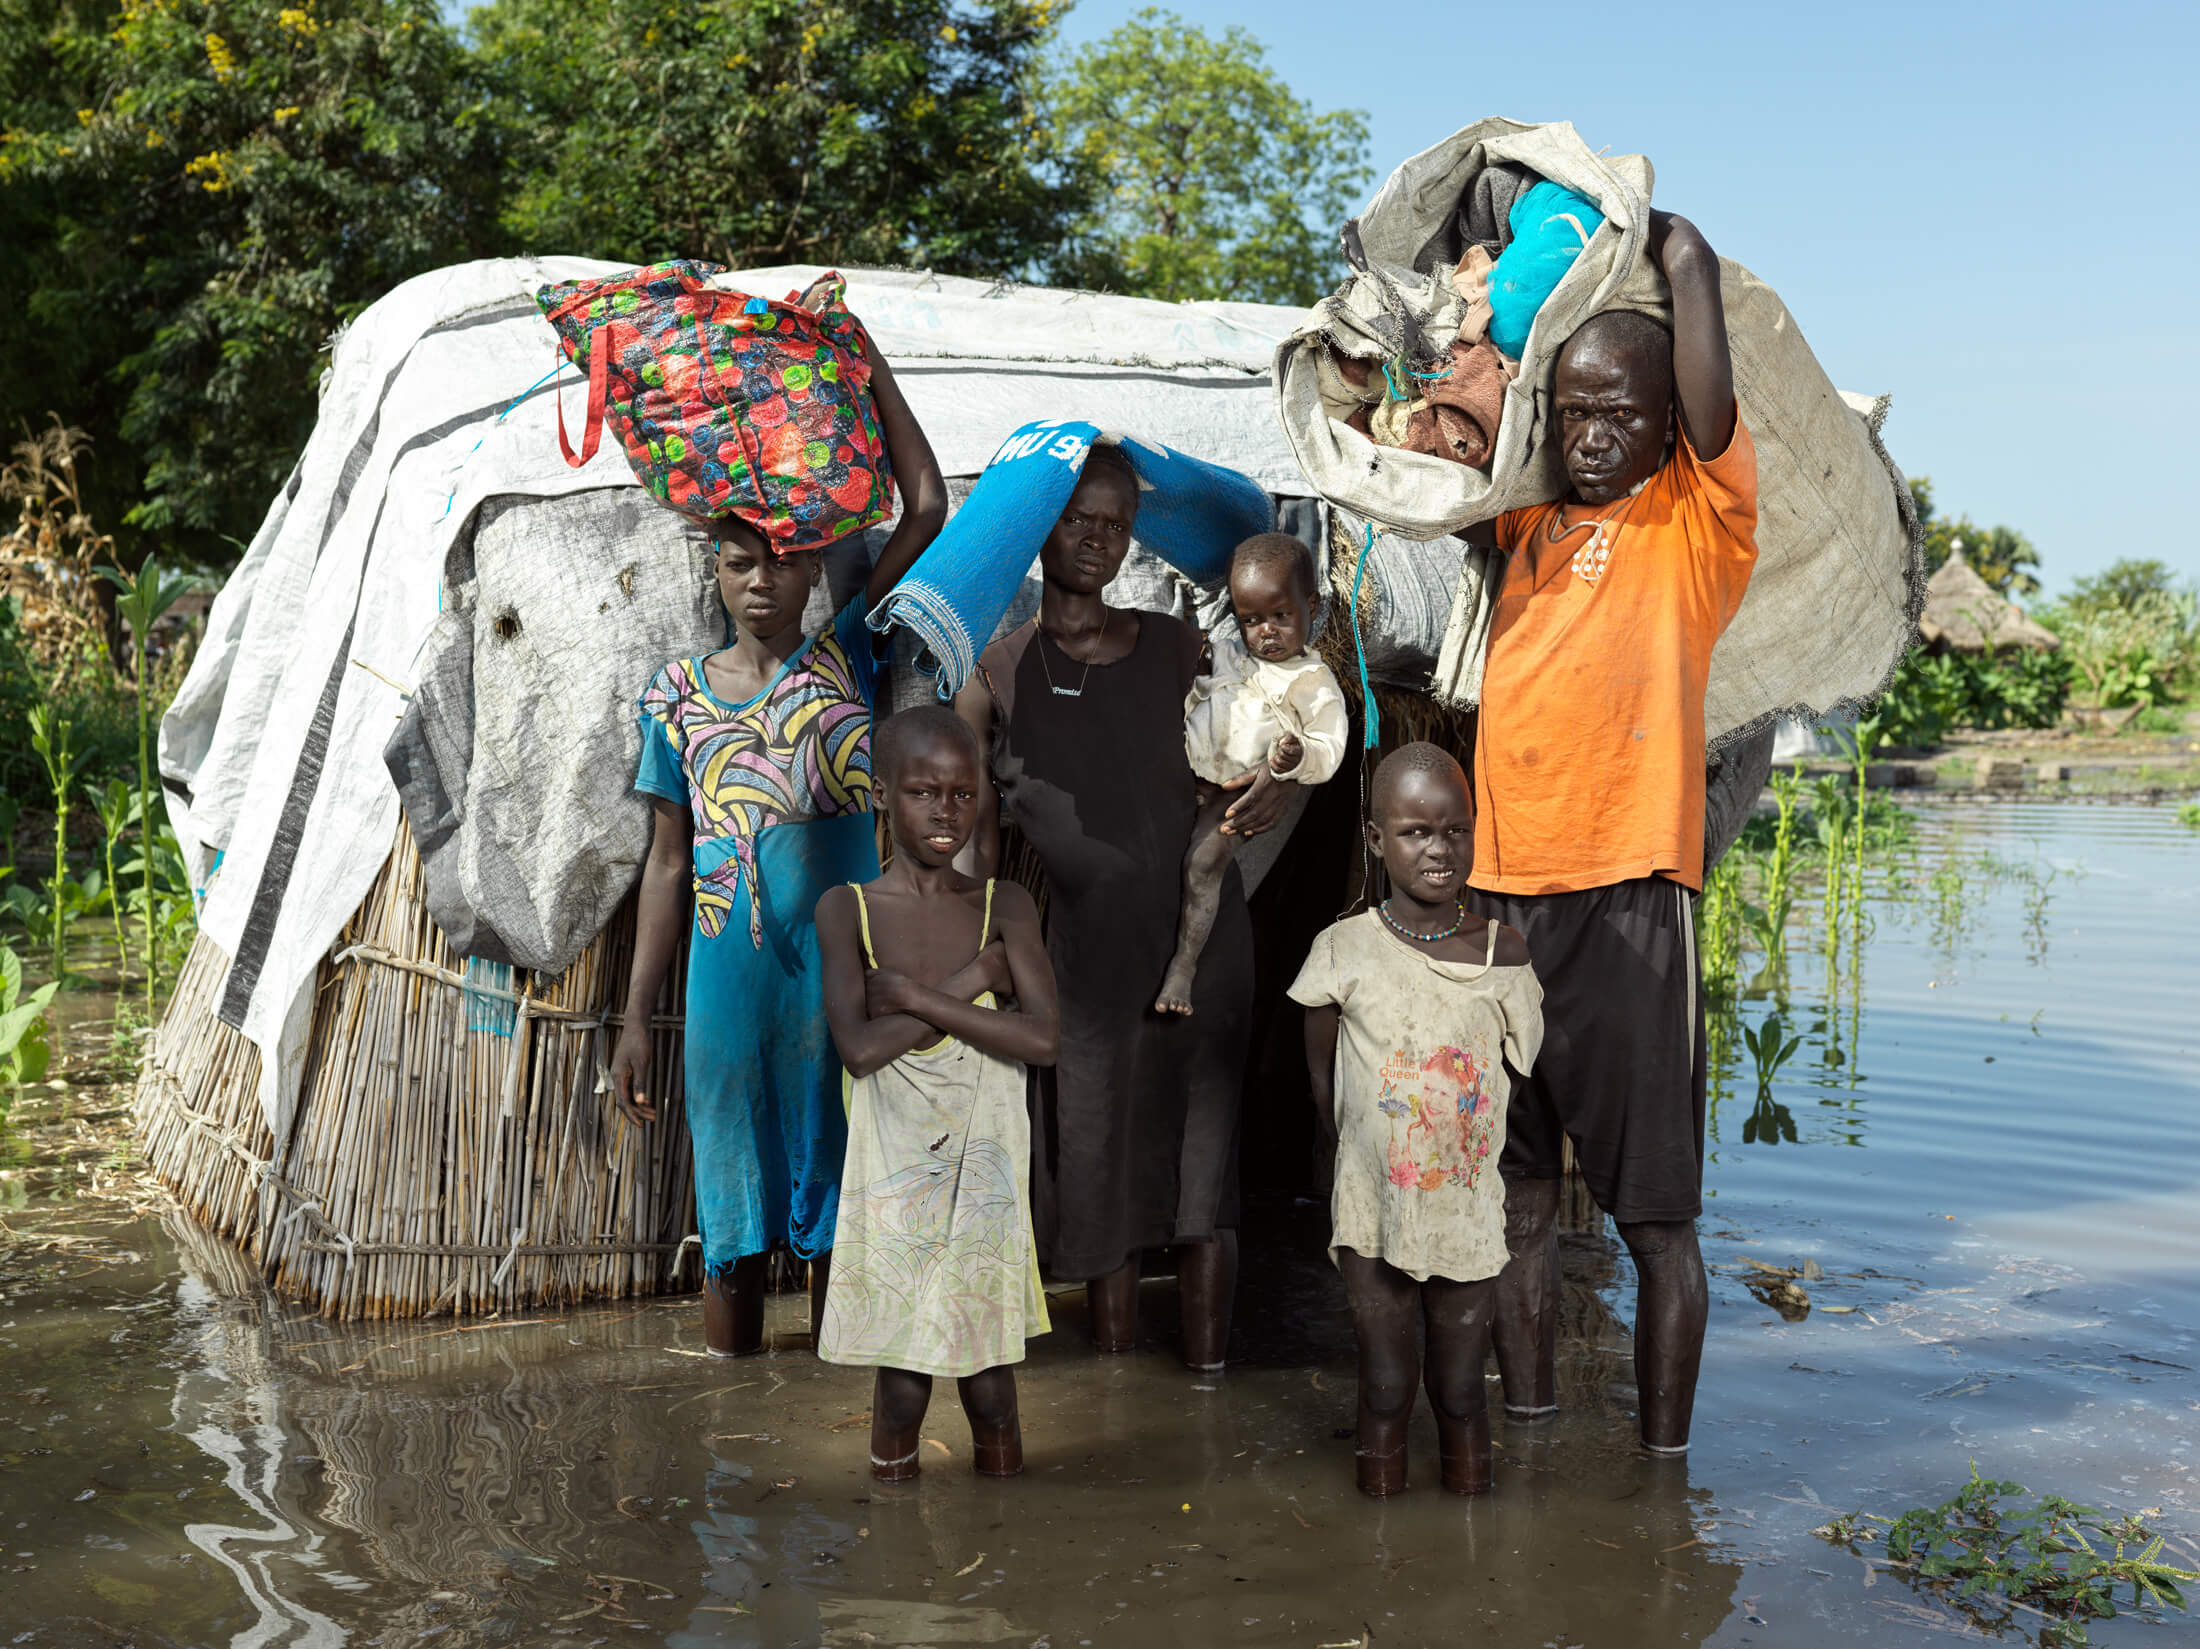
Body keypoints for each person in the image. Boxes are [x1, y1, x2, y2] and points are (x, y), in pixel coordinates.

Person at [1459, 210, 1757, 1453]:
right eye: (1572, 411)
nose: (1589, 435)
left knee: (1655, 1221)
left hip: (1629, 901)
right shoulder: (1524, 526)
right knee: (1516, 1206)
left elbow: (1709, 410)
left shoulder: (1696, 527)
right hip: (1500, 907)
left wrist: (1678, 258)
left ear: (1662, 430)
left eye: (1617, 415)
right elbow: (1469, 409)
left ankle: (1662, 1471)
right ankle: (1528, 1427)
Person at [608, 338, 947, 1357]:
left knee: (842, 1198)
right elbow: (668, 863)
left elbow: (925, 507)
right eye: (738, 558)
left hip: (840, 976)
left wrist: (869, 360)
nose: (762, 579)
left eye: (782, 557)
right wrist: (635, 1018)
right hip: (726, 981)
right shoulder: (673, 696)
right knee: (734, 1214)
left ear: (812, 565)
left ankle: (841, 1427)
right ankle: (736, 1420)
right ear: (714, 569)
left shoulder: (847, 651)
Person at [953, 442, 1289, 1370]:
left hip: (1202, 946)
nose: (1098, 539)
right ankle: (1114, 1393)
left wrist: (1267, 782)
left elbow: (1270, 725)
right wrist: (979, 967)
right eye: (1077, 520)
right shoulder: (998, 674)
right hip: (1089, 965)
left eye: (1115, 523)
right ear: (1038, 531)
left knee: (1202, 1184)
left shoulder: (1179, 648)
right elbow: (966, 831)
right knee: (1099, 1179)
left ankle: (1209, 1381)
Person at [811, 706, 1058, 1479]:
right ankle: (893, 1549)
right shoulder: (845, 908)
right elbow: (858, 1052)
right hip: (895, 1176)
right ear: (883, 794)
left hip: (983, 1174)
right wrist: (978, 983)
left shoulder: (1004, 905)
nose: (946, 809)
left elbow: (1045, 1040)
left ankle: (1002, 1532)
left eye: (962, 792)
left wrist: (924, 997)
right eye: (924, 791)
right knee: (902, 1385)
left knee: (990, 1384)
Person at [1290, 744, 1541, 1496]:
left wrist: (1453, 1147)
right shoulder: (1342, 950)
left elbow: (1510, 1081)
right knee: (1386, 1385)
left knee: (1462, 1391)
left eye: (1455, 830)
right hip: (1373, 1207)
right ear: (1375, 838)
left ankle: (1469, 1554)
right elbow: (1323, 1079)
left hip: (1463, 1214)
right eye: (1415, 832)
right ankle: (1380, 1554)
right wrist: (1371, 1154)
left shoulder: (1504, 953)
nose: (1439, 849)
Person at [1157, 533, 1348, 1016]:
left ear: (1311, 606)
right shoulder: (1226, 654)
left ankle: (1185, 963)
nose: (1267, 631)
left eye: (1281, 616)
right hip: (1187, 778)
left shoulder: (1313, 683)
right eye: (1252, 620)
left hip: (1236, 794)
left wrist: (1293, 757)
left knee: (1203, 865)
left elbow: (1329, 747)